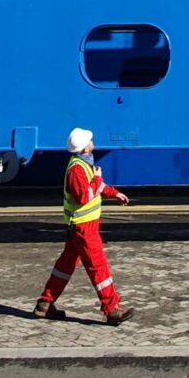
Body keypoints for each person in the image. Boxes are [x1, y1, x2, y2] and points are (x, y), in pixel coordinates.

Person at [34, 127, 135, 324]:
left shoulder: (83, 165)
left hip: (79, 226)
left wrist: (114, 193)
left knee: (66, 265)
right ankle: (111, 308)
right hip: (83, 227)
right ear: (85, 148)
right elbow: (84, 197)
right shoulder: (78, 169)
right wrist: (97, 179)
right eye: (91, 141)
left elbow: (97, 188)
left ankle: (44, 304)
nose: (93, 143)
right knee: (98, 267)